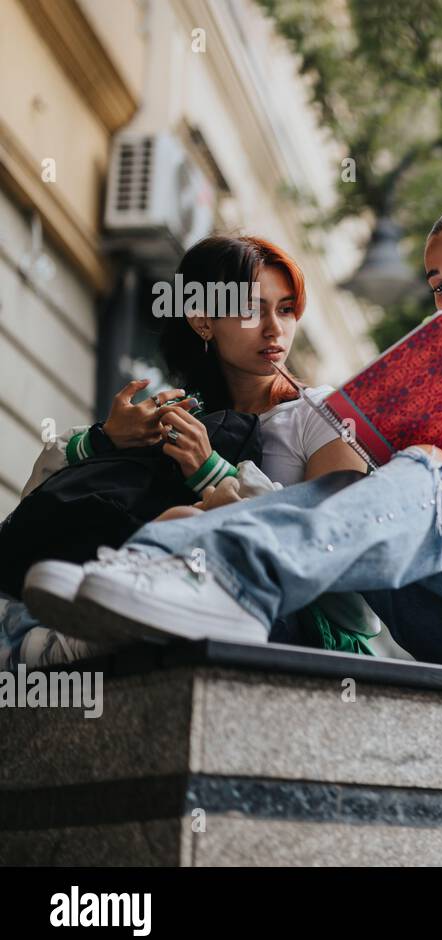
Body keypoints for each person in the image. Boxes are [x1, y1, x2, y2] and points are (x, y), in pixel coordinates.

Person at [26, 201, 442, 688]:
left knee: (430, 477)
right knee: (368, 487)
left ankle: (225, 579)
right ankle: (161, 569)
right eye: (439, 285)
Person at [5, 235, 370, 669]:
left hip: (297, 625)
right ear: (202, 321)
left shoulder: (324, 412)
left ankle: (68, 643)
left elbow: (343, 556)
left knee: (184, 525)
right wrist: (104, 441)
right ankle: (70, 633)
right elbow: (40, 506)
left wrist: (212, 473)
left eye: (287, 309)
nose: (275, 328)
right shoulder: (179, 412)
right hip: (176, 604)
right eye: (252, 309)